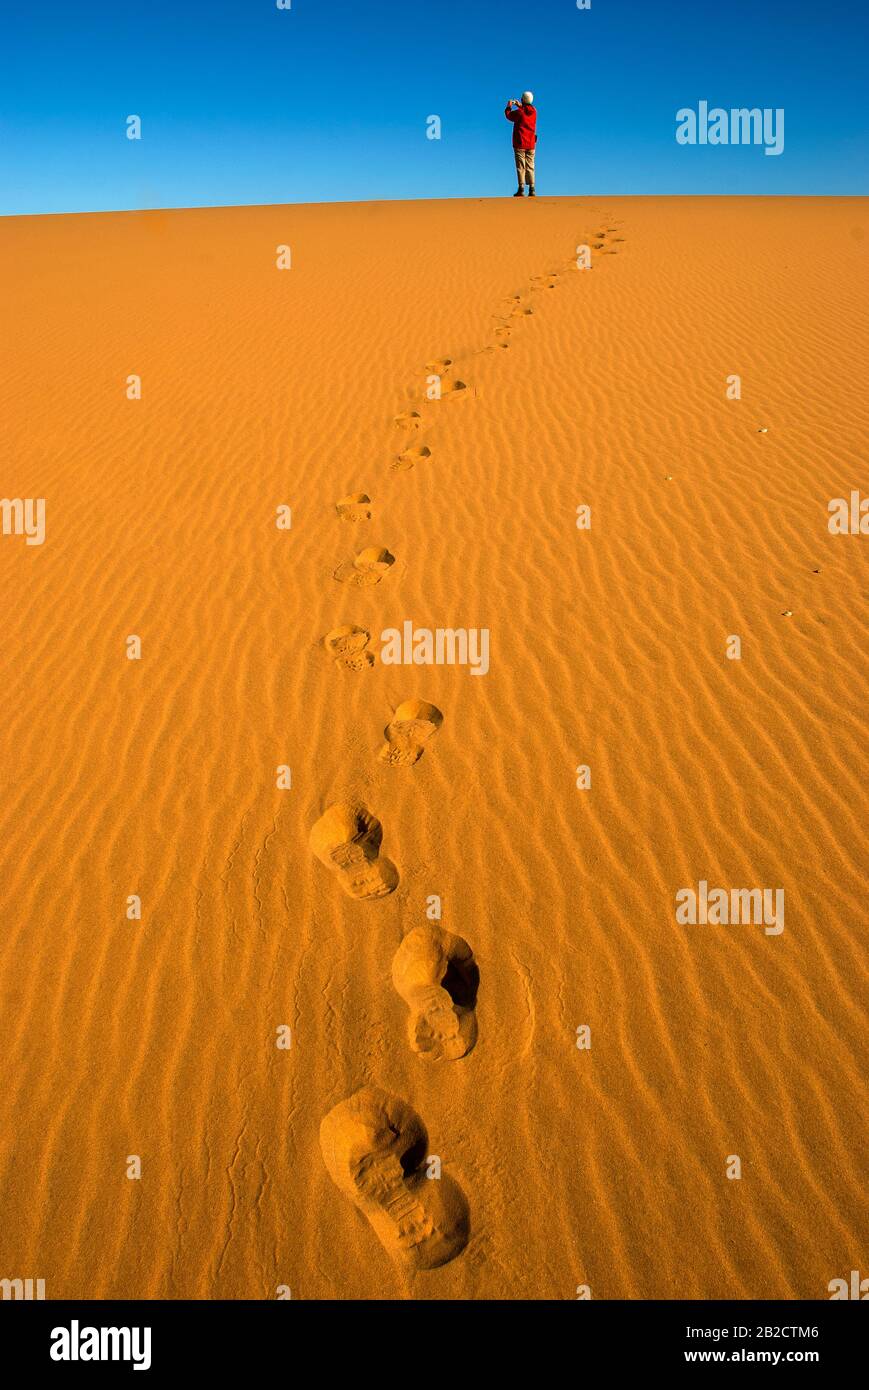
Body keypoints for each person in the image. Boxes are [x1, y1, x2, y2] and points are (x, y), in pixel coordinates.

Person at [505, 91, 537, 196]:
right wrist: (520, 106)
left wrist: (509, 106)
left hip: (520, 143)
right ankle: (532, 189)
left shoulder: (520, 112)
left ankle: (521, 188)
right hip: (531, 143)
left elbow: (509, 116)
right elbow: (525, 112)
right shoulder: (534, 111)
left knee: (521, 166)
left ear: (523, 99)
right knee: (530, 166)